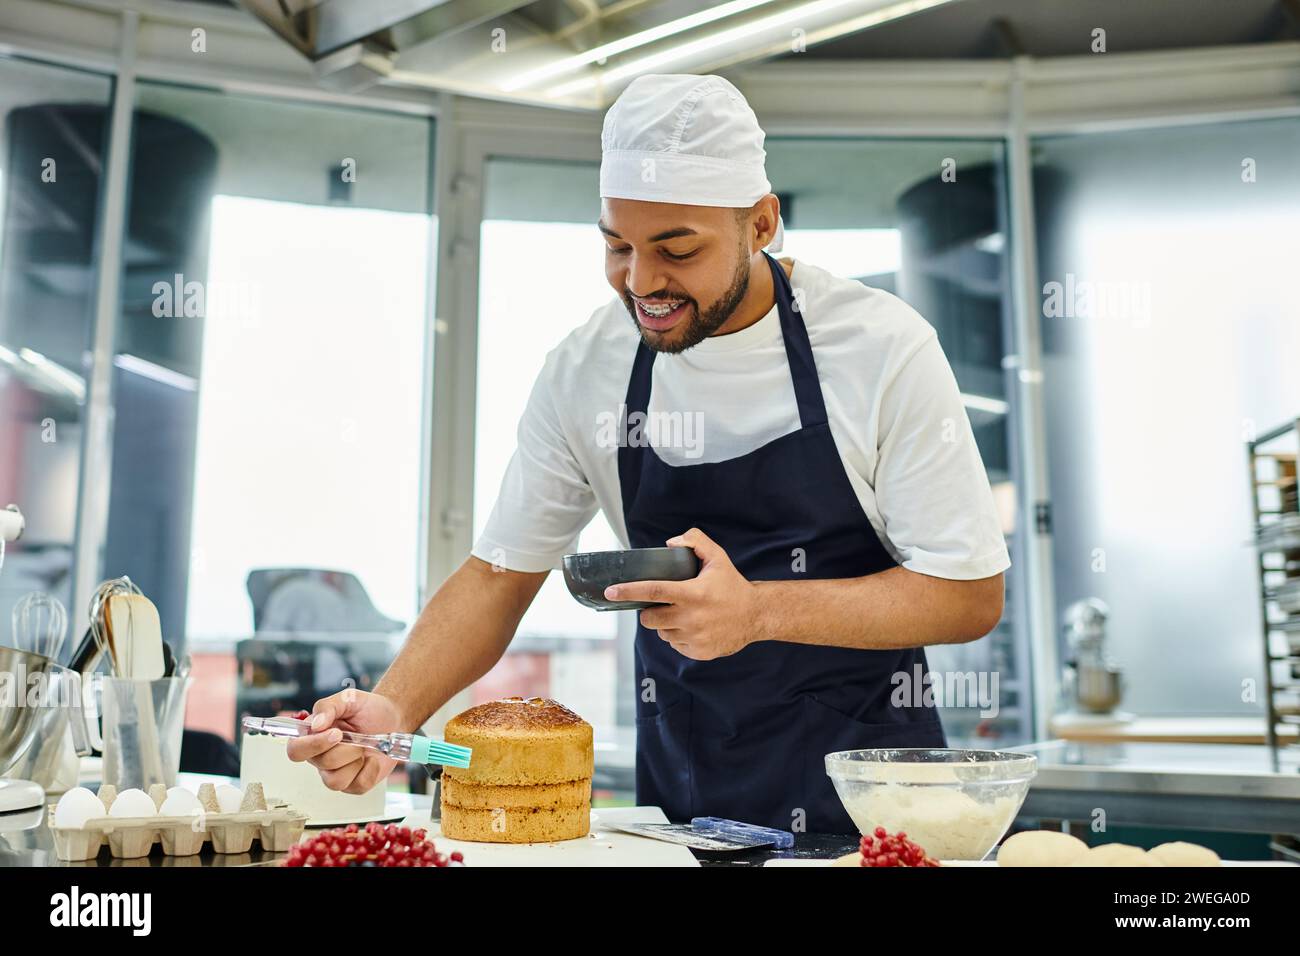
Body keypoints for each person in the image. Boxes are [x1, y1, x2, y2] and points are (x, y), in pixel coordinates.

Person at [289, 74, 1009, 832]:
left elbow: (967, 594)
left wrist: (757, 612)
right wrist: (396, 704)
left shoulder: (880, 348)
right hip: (681, 818)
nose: (641, 282)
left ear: (762, 224)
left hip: (868, 815)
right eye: (616, 245)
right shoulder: (586, 369)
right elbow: (501, 574)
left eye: (677, 249)